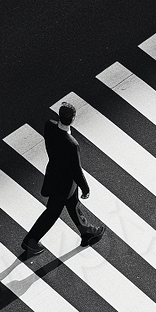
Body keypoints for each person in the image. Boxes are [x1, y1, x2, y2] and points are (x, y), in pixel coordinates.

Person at [21, 102, 105, 256]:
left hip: (53, 175)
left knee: (73, 204)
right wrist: (85, 188)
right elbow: (76, 170)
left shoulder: (49, 126)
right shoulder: (72, 144)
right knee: (52, 213)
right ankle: (30, 241)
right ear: (73, 119)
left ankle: (87, 232)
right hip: (65, 184)